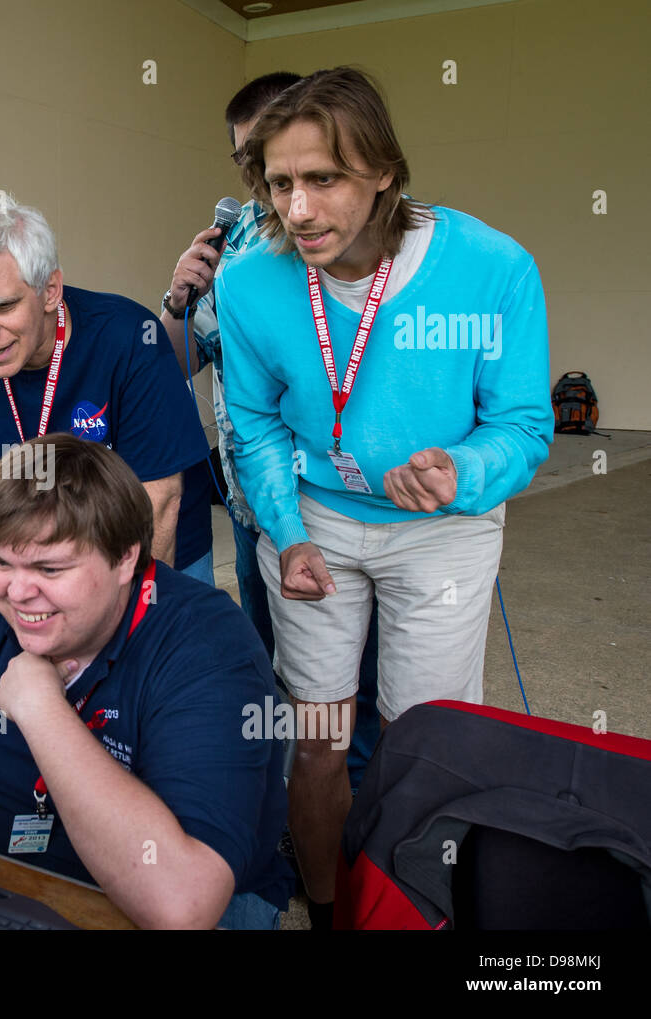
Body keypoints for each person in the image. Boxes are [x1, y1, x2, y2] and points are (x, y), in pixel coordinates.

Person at [218, 67, 552, 928]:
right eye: (281, 183)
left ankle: (416, 908)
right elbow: (252, 425)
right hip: (315, 521)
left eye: (323, 179)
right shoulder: (251, 279)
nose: (298, 210)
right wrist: (286, 533)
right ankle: (332, 910)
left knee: (422, 742)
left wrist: (466, 472)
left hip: (440, 528)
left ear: (385, 174)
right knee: (318, 734)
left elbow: (523, 424)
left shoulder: (491, 268)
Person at [0, 435, 292, 929]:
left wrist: (40, 708)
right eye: (1, 560)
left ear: (125, 560)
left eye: (50, 568)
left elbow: (181, 906)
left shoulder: (207, 644)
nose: (18, 591)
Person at [164, 73, 383, 791]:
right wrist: (179, 296)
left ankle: (377, 820)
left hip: (354, 500)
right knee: (283, 670)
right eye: (251, 162)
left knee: (375, 678)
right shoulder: (235, 248)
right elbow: (177, 365)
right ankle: (299, 805)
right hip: (259, 503)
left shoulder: (366, 241)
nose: (268, 179)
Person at [0, 191, 214, 602]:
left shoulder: (129, 337)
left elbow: (159, 497)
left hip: (150, 552)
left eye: (2, 306)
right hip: (42, 557)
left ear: (50, 291)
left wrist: (131, 616)